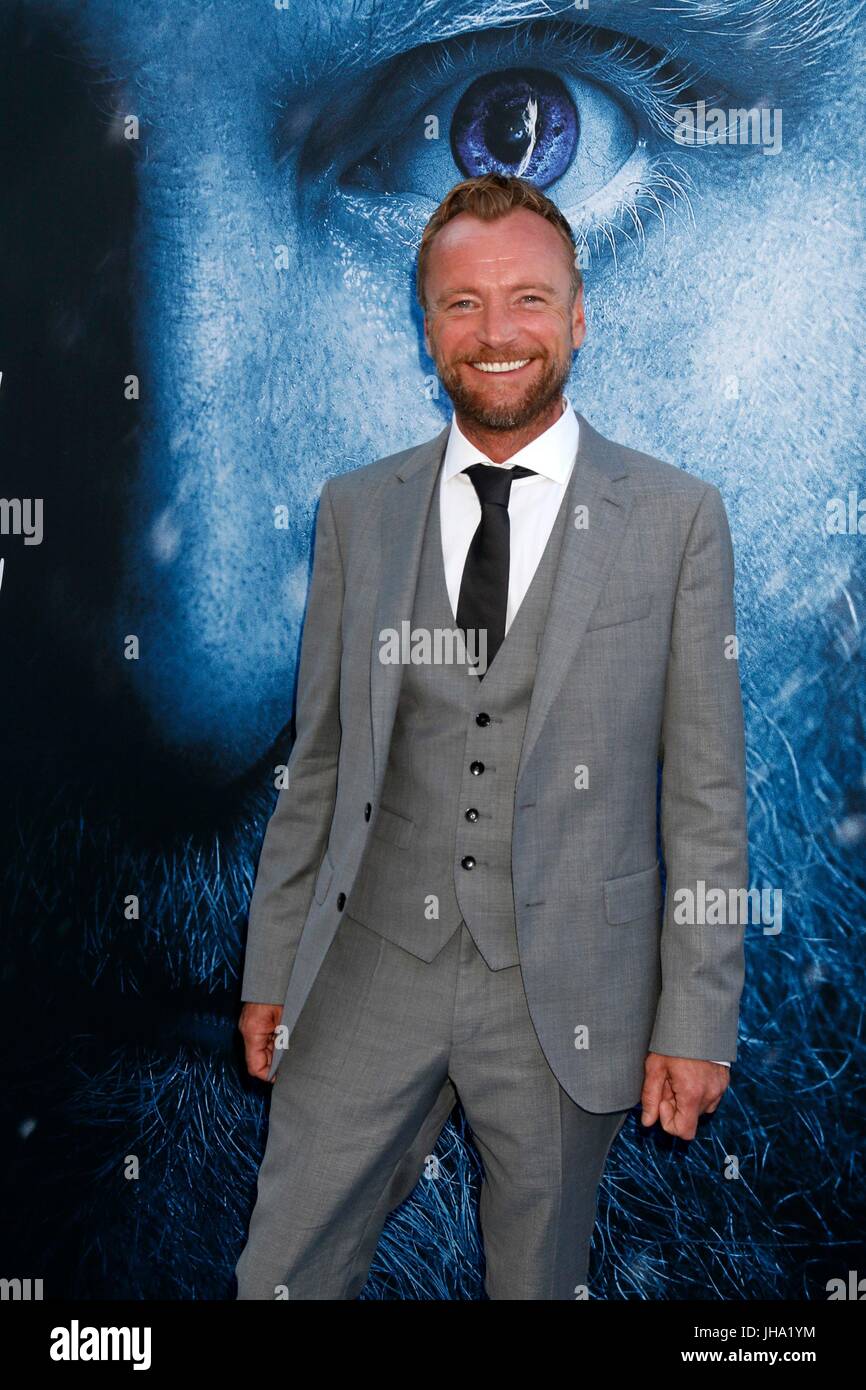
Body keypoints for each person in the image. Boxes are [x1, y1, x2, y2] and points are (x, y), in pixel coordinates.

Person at [234, 174, 749, 1301]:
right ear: (425, 327)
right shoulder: (356, 512)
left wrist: (696, 1018)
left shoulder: (674, 518)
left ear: (576, 315)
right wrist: (272, 968)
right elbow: (314, 768)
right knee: (279, 1276)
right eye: (460, 304)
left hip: (568, 982)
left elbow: (705, 795)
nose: (495, 332)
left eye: (526, 298)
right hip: (370, 962)